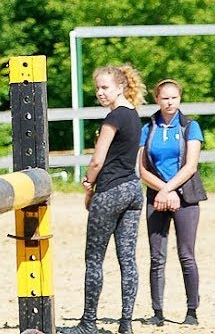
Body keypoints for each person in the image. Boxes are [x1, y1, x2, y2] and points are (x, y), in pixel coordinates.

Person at [69, 64, 147, 334]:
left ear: (120, 88)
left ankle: (88, 322)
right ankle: (126, 323)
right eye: (98, 88)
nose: (100, 93)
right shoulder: (135, 116)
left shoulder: (113, 118)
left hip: (110, 190)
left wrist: (89, 184)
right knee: (128, 259)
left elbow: (97, 159)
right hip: (133, 190)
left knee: (94, 259)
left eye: (105, 88)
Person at [137, 78, 205, 326]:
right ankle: (157, 312)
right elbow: (142, 169)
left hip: (185, 196)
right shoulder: (148, 129)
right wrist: (163, 192)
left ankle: (192, 311)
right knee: (157, 257)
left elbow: (191, 166)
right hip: (158, 195)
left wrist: (168, 190)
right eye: (164, 98)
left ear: (180, 98)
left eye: (174, 97)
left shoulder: (190, 127)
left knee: (186, 254)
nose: (169, 102)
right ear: (157, 99)